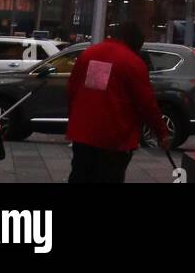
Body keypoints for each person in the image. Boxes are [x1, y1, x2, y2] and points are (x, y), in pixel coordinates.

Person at [66, 21, 170, 183]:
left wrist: (75, 118)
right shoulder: (133, 63)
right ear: (134, 42)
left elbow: (74, 90)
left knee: (80, 176)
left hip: (84, 134)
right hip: (114, 138)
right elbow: (146, 104)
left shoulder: (90, 54)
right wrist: (161, 133)